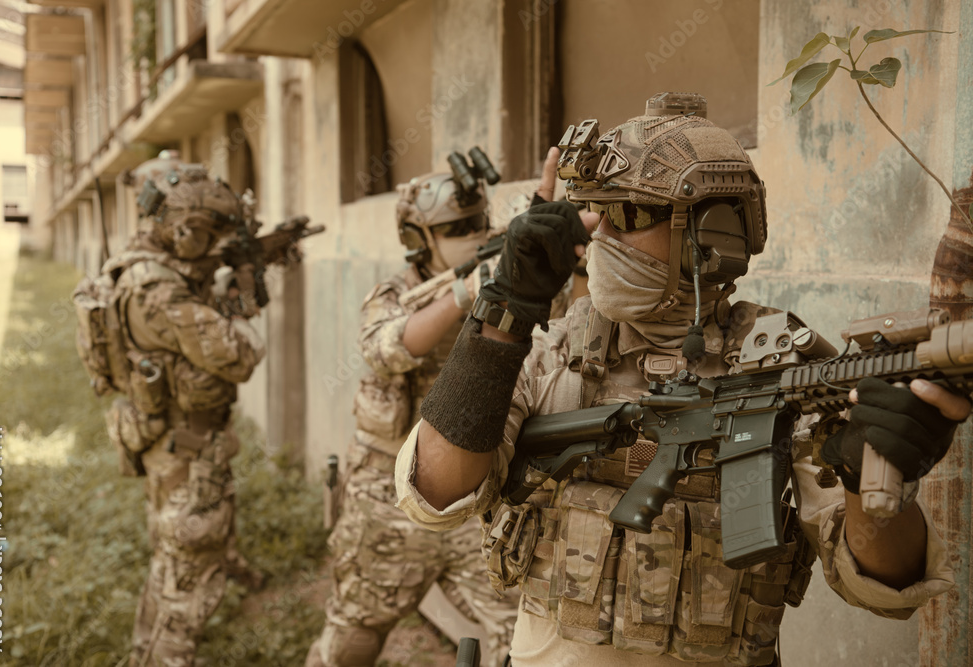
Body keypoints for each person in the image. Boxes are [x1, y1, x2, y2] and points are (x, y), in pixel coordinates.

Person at [394, 93, 969, 666]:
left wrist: (870, 481)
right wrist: (504, 311)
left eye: (626, 215)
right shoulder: (551, 348)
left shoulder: (780, 360)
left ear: (711, 230)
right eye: (596, 213)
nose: (600, 236)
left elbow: (882, 585)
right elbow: (435, 494)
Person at [307, 171, 540, 667]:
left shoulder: (505, 274)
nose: (472, 235)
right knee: (354, 637)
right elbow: (387, 349)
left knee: (519, 638)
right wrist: (462, 295)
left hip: (477, 499)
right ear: (419, 238)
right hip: (385, 501)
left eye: (477, 222)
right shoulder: (395, 293)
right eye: (456, 228)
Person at [74, 152, 266, 666]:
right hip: (186, 448)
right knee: (189, 583)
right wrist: (241, 295)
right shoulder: (158, 291)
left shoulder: (145, 267)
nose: (216, 248)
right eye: (211, 237)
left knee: (172, 563)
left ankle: (146, 651)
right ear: (184, 231)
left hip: (169, 439)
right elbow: (239, 354)